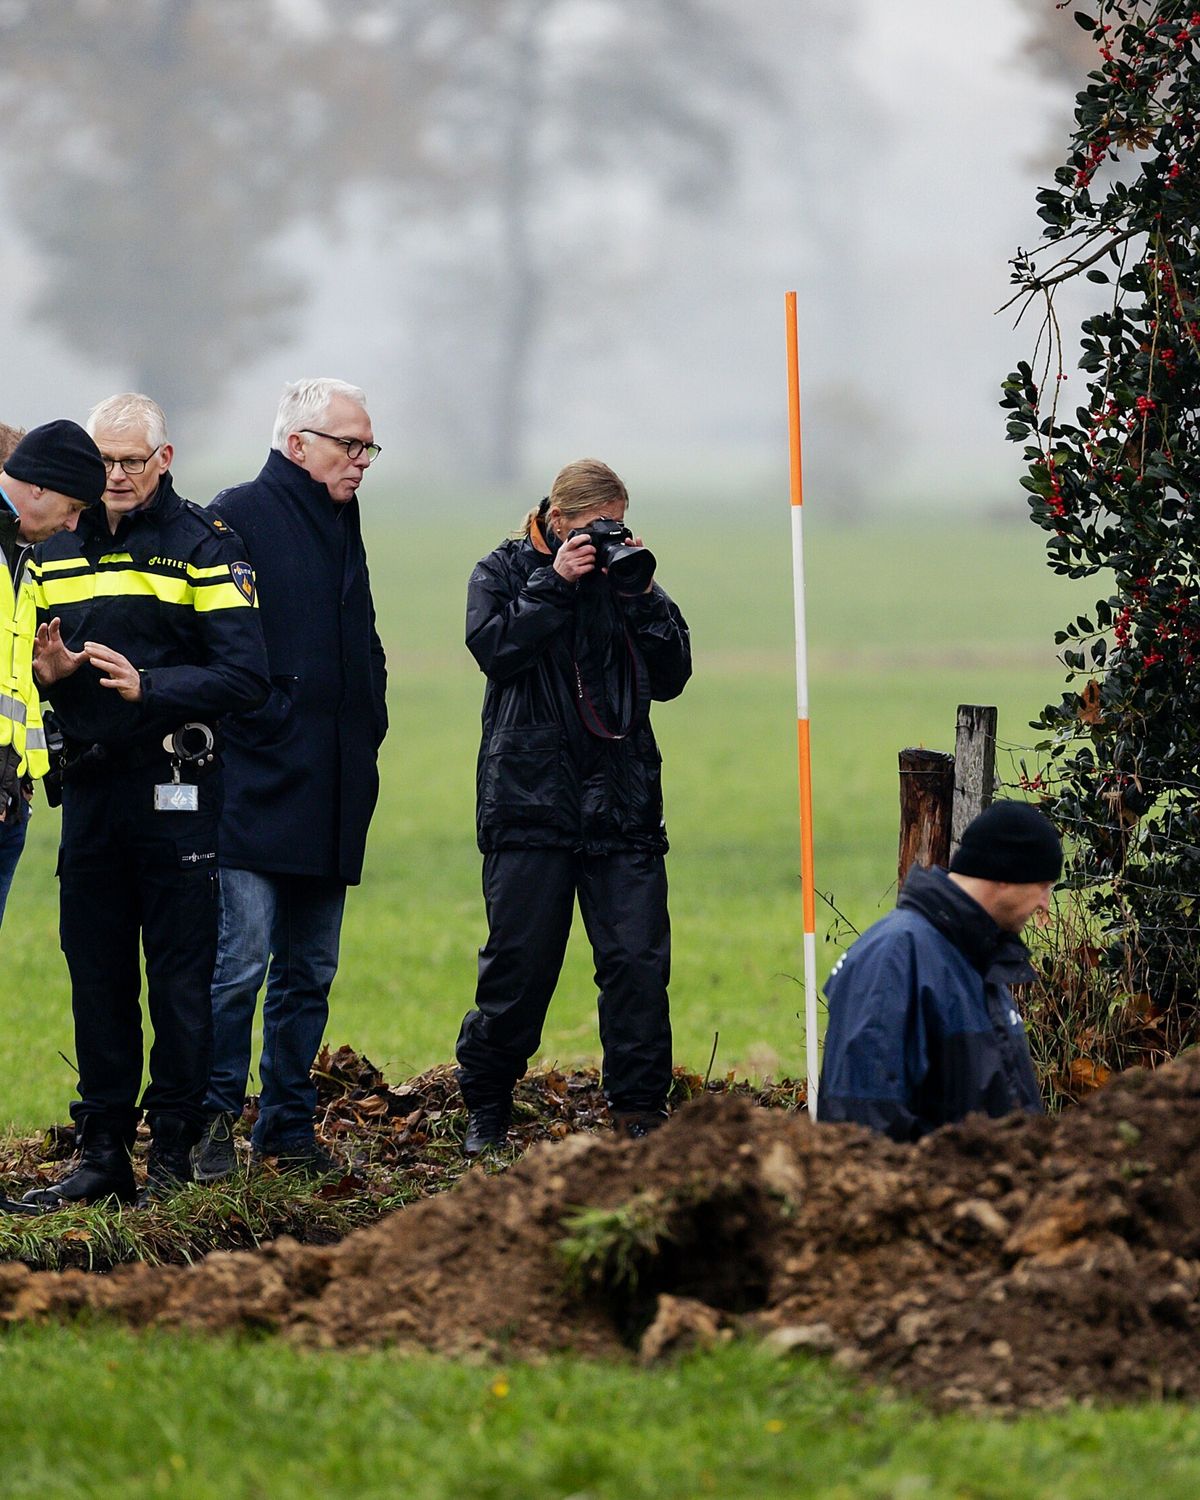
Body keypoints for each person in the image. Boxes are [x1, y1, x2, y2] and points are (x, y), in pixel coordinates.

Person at [22, 394, 268, 1208]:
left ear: (166, 458)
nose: (117, 475)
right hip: (89, 789)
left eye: (132, 459)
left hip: (177, 791)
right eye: (105, 460)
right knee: (95, 979)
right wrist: (46, 678)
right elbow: (20, 658)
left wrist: (151, 685)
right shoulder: (53, 543)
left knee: (179, 981)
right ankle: (101, 1154)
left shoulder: (204, 545)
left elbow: (245, 676)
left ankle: (170, 1153)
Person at [454, 458, 692, 1155]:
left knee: (638, 965)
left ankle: (640, 1112)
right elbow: (496, 650)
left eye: (617, 524)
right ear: (557, 523)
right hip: (529, 800)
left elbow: (673, 676)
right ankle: (488, 1106)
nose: (607, 537)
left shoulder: (626, 578)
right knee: (519, 966)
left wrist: (641, 593)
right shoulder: (499, 571)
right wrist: (554, 584)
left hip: (621, 801)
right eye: (594, 527)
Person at [191, 378, 388, 1181]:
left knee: (310, 973)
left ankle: (287, 1127)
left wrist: (369, 715)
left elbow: (359, 639)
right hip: (254, 786)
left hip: (334, 787)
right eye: (352, 445)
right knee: (238, 965)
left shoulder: (341, 520)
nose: (364, 461)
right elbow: (211, 646)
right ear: (297, 443)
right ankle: (207, 1125)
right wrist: (267, 720)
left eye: (369, 447)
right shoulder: (235, 516)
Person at [818, 799, 1063, 1142]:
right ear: (1005, 877)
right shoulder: (894, 960)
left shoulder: (978, 959)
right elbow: (860, 1127)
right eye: (1042, 887)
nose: (1044, 905)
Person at [0, 420, 103, 926]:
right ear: (38, 486)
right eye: (73, 509)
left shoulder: (21, 555)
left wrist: (46, 675)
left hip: (10, 795)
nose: (70, 527)